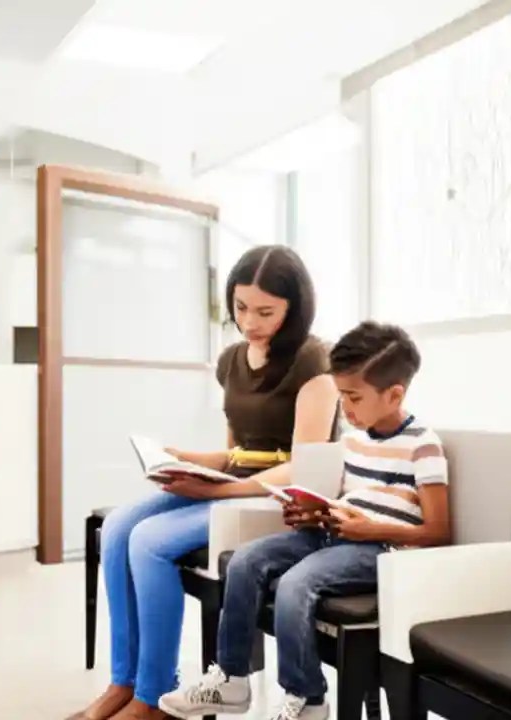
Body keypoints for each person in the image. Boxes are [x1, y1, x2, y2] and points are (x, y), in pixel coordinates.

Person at [69, 246, 341, 720]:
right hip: (234, 485)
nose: (249, 321)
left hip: (279, 499)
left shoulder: (316, 361)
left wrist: (217, 490)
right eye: (239, 308)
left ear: (294, 308)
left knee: (150, 543)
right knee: (116, 531)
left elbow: (302, 466)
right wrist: (184, 460)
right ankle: (123, 683)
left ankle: (153, 699)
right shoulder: (232, 361)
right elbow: (237, 451)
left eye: (265, 311)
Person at [158, 321, 451, 720]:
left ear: (394, 393)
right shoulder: (353, 440)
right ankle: (232, 680)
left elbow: (437, 532)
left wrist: (370, 529)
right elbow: (343, 499)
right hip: (335, 534)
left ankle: (308, 698)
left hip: (381, 549)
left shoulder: (423, 445)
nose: (345, 409)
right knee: (245, 561)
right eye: (341, 396)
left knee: (298, 583)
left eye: (353, 398)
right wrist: (315, 511)